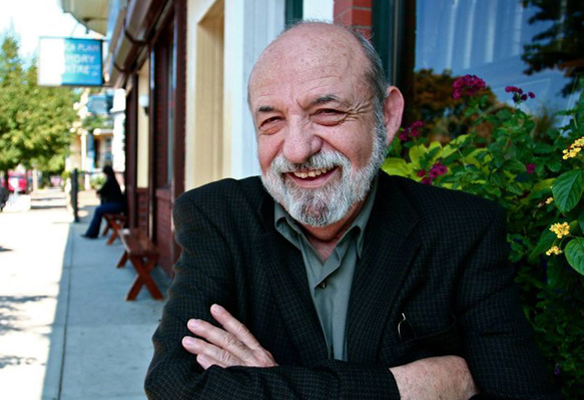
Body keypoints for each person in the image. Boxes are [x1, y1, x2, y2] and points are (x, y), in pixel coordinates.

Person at [145, 22, 561, 399]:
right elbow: (172, 386)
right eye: (271, 121)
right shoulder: (217, 218)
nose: (297, 149)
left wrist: (271, 387)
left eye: (327, 112)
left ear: (387, 116)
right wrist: (404, 386)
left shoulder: (463, 229)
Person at [83, 165, 126, 238]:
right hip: (118, 204)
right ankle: (92, 232)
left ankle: (92, 233)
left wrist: (98, 192)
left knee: (98, 210)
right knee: (99, 210)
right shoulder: (112, 180)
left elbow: (102, 191)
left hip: (117, 205)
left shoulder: (110, 181)